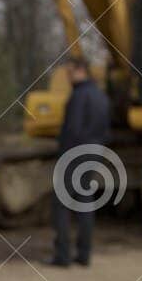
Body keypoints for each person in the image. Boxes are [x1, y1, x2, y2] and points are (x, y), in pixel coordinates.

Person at [48, 59, 112, 268]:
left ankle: (63, 256)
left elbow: (72, 128)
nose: (67, 77)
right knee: (85, 202)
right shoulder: (101, 96)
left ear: (81, 71)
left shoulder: (78, 96)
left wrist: (63, 153)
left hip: (74, 152)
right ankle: (84, 255)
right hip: (95, 150)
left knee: (60, 203)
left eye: (70, 73)